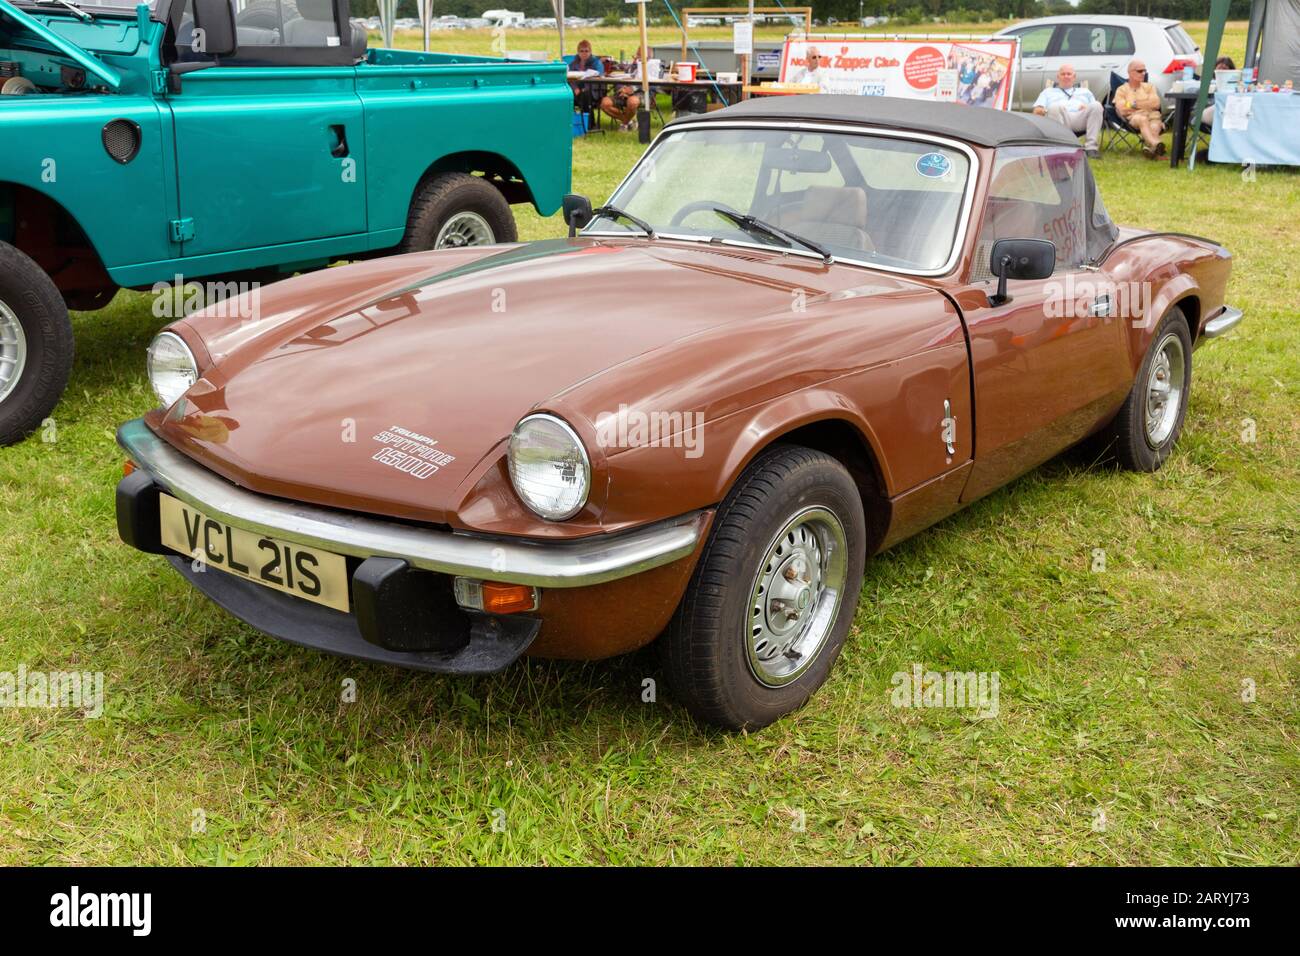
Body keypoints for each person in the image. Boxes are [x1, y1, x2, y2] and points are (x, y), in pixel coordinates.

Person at [1033, 64, 1103, 158]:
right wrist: (1047, 110)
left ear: (1074, 77)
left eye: (1069, 74)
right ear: (1058, 77)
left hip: (1080, 118)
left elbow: (1096, 109)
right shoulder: (1048, 92)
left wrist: (1086, 106)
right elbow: (1036, 111)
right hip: (1059, 118)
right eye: (1063, 74)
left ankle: (1091, 148)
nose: (1066, 76)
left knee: (1097, 105)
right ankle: (1060, 147)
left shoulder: (1085, 91)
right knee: (1055, 107)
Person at [1115, 59, 1165, 158]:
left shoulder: (1149, 87)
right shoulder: (1122, 90)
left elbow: (1156, 104)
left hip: (1153, 116)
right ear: (1130, 73)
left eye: (1144, 71)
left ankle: (1152, 150)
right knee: (1142, 119)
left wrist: (1133, 104)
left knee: (1154, 126)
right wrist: (1144, 104)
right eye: (1139, 71)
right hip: (1135, 118)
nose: (1143, 73)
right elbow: (1121, 108)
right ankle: (1156, 144)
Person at [601, 48, 643, 132]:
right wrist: (621, 89)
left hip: (640, 94)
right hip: (622, 94)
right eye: (637, 55)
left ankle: (624, 124)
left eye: (640, 56)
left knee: (632, 102)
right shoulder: (630, 67)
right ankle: (628, 121)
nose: (636, 58)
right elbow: (620, 78)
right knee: (604, 103)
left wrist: (632, 89)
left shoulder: (652, 68)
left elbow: (652, 85)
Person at [566, 39, 605, 116]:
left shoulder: (596, 63)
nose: (584, 53)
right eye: (581, 51)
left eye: (586, 51)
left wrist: (583, 89)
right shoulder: (574, 63)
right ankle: (571, 120)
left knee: (584, 95)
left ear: (590, 52)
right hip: (577, 90)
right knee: (566, 95)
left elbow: (598, 77)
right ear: (578, 52)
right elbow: (569, 78)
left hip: (593, 90)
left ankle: (589, 122)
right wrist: (575, 88)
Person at [1202, 56, 1236, 127]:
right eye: (1219, 69)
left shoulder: (1234, 85)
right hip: (1210, 109)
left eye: (1224, 69)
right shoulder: (1207, 82)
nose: (1222, 72)